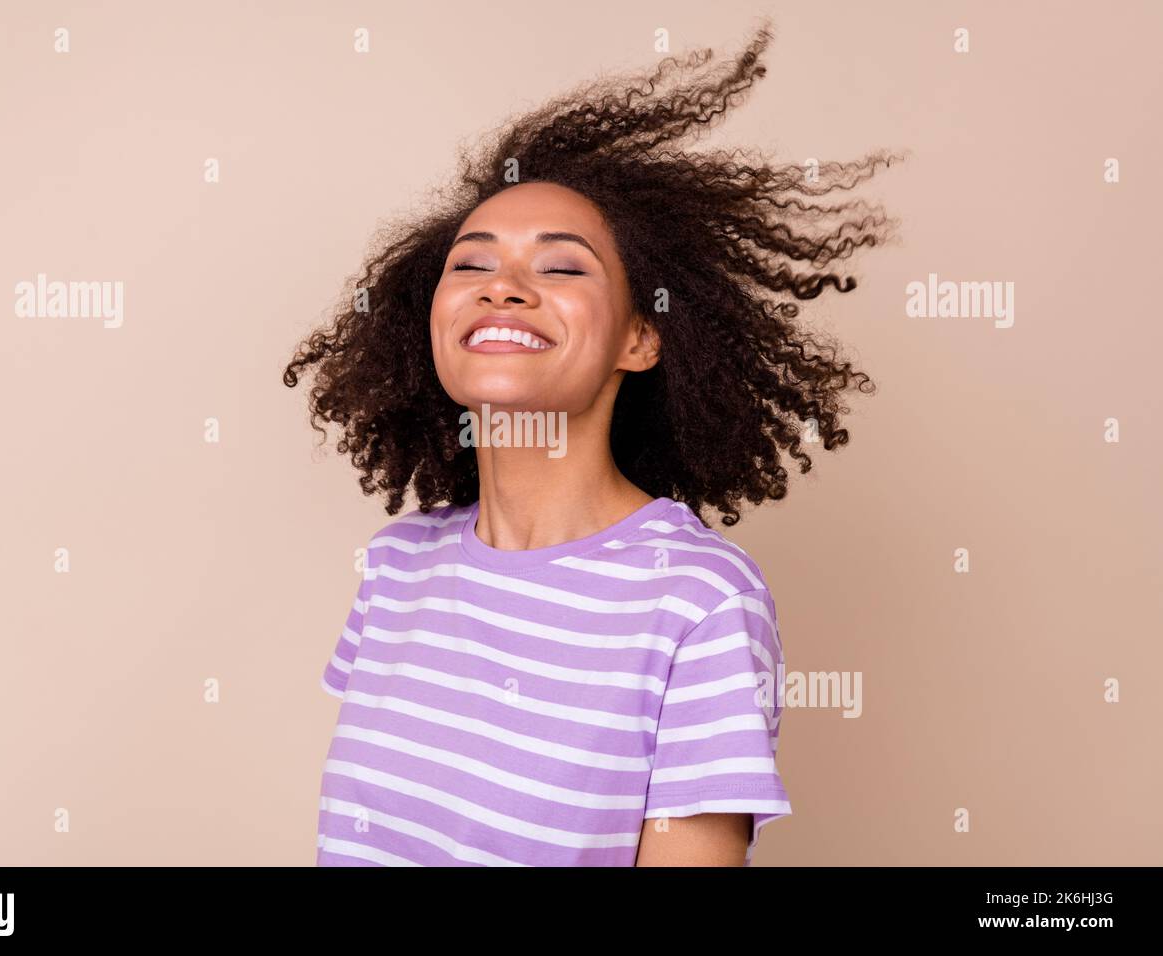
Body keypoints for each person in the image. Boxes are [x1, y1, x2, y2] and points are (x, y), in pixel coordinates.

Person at [285, 24, 899, 866]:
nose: (502, 286)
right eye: (470, 267)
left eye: (562, 268)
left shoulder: (699, 601)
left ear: (640, 339)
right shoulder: (397, 567)